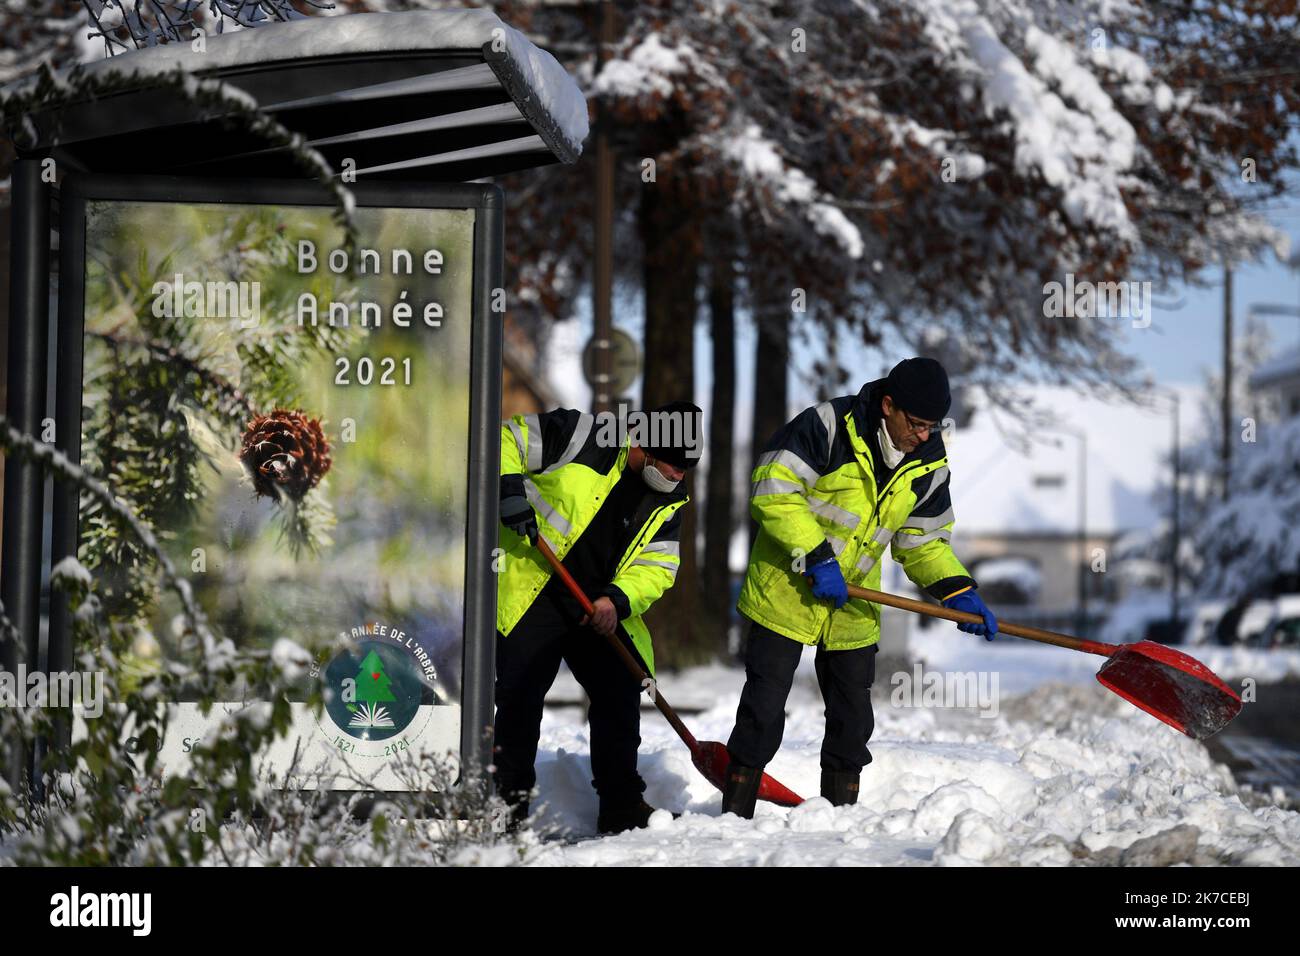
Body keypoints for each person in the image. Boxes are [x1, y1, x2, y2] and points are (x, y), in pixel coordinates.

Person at [721, 358, 998, 817]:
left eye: (933, 427)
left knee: (852, 722)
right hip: (785, 591)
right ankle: (735, 814)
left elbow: (922, 541)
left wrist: (957, 589)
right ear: (888, 405)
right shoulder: (828, 428)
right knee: (763, 712)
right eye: (917, 424)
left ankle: (840, 823)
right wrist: (816, 555)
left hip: (853, 605)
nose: (924, 436)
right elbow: (772, 487)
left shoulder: (928, 463)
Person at [494, 400, 702, 834]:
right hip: (534, 589)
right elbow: (504, 438)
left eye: (685, 471)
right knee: (519, 700)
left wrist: (617, 601)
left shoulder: (670, 500)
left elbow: (658, 567)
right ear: (643, 443)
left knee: (619, 695)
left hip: (596, 608)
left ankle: (621, 805)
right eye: (670, 467)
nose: (676, 478)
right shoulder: (579, 436)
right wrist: (508, 489)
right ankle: (506, 809)